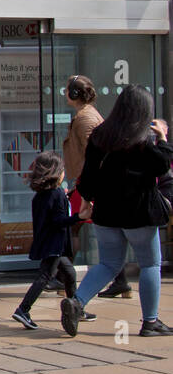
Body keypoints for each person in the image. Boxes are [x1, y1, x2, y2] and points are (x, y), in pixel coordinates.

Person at [65, 86, 173, 337]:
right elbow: (161, 166)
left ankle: (77, 302)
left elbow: (89, 172)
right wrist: (164, 139)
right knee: (150, 264)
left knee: (108, 263)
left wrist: (87, 200)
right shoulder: (142, 139)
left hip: (106, 211)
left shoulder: (101, 135)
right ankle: (150, 322)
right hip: (139, 213)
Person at [62, 75, 130, 298]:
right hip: (87, 181)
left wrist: (89, 187)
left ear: (74, 94)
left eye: (67, 90)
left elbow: (98, 153)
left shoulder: (86, 119)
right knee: (85, 226)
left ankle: (60, 275)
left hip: (89, 182)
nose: (64, 93)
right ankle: (120, 280)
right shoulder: (85, 115)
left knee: (73, 226)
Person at [12, 151, 94, 330]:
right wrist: (79, 216)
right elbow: (58, 221)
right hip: (54, 244)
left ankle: (76, 309)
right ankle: (23, 309)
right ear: (57, 172)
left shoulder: (41, 195)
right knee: (45, 276)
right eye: (63, 169)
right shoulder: (56, 194)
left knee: (70, 274)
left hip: (49, 242)